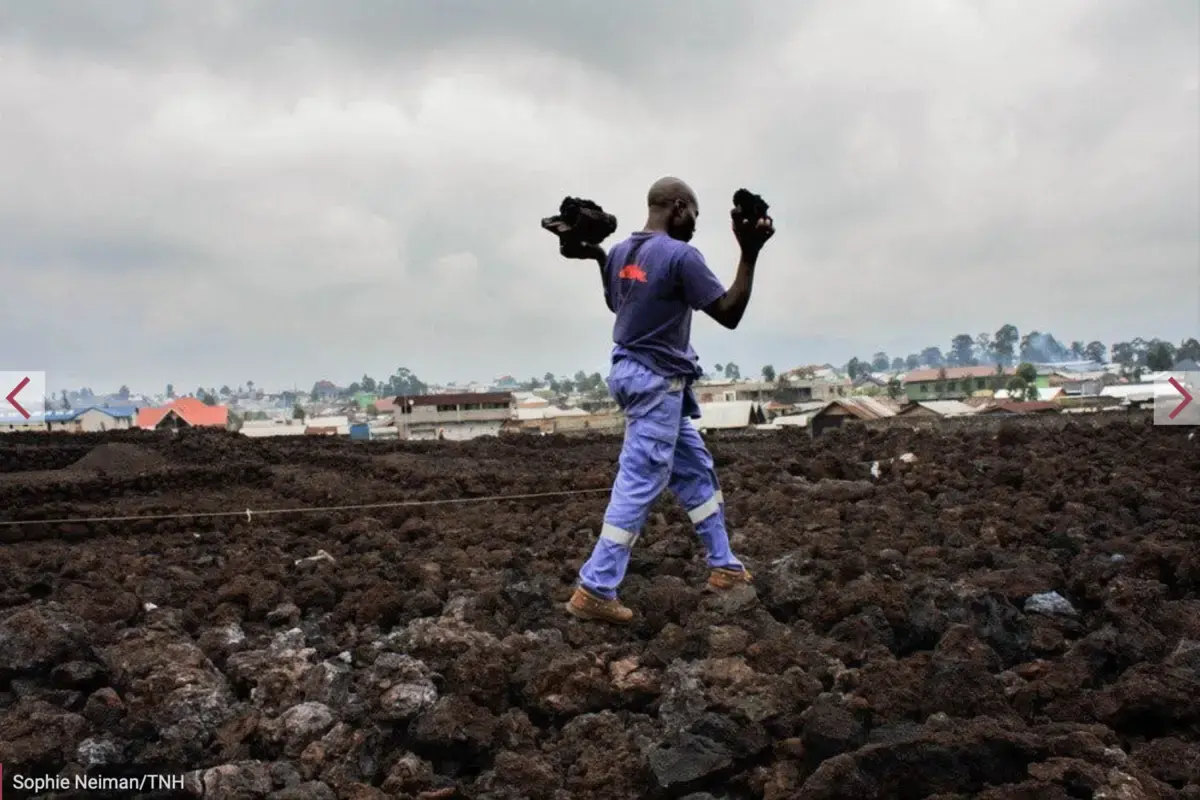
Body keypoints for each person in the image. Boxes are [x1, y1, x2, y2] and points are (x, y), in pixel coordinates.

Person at [559, 176, 775, 624]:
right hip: (657, 381)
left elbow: (621, 304)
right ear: (678, 207)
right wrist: (749, 251)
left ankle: (724, 566)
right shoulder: (681, 256)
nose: (695, 225)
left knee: (695, 469)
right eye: (694, 214)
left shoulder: (619, 251)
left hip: (631, 373)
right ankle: (596, 587)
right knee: (640, 479)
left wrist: (597, 254)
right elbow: (729, 312)